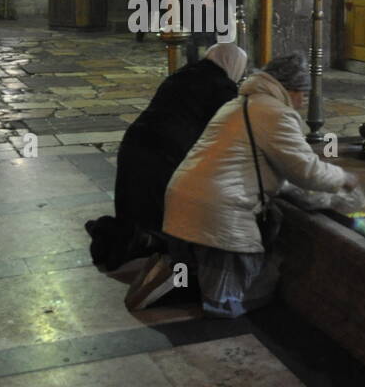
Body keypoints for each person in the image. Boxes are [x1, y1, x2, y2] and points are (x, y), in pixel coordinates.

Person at [126, 53, 360, 316]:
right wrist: (343, 178)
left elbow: (246, 163)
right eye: (302, 93)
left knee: (217, 269)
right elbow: (305, 170)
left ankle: (178, 277)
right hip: (218, 212)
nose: (303, 101)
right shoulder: (276, 113)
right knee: (238, 299)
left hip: (182, 201)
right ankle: (189, 290)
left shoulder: (238, 104)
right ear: (288, 89)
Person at [86, 43, 249, 272]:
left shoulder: (183, 73)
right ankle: (151, 262)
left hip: (135, 142)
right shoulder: (222, 87)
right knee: (158, 213)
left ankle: (120, 247)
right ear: (234, 65)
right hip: (164, 153)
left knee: (132, 205)